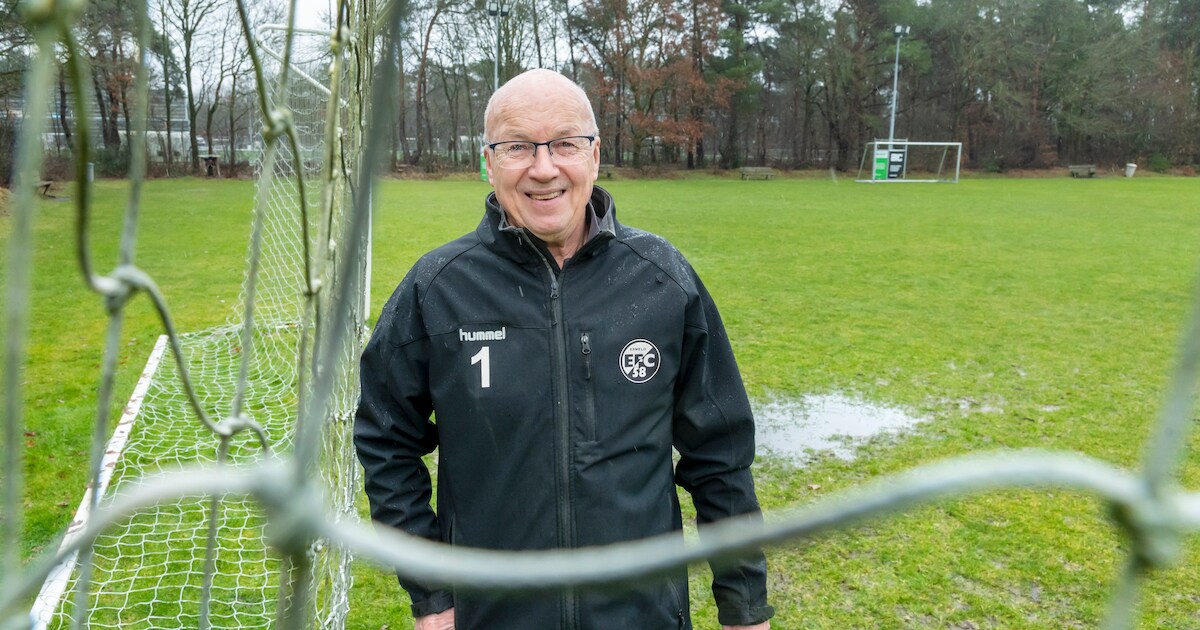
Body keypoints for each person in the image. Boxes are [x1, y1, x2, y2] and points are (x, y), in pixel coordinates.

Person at [354, 68, 774, 630]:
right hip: (492, 617)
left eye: (565, 144)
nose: (544, 168)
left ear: (594, 155)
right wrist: (432, 593)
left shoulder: (662, 280)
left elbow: (720, 453)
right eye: (517, 147)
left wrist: (744, 604)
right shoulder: (438, 289)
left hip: (641, 615)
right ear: (488, 163)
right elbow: (385, 438)